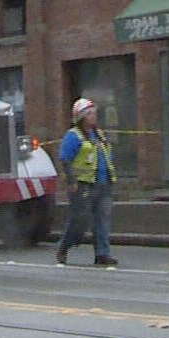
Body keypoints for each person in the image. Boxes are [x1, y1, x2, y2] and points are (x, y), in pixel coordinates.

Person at [54, 96, 119, 267]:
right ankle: (65, 246)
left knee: (102, 220)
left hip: (103, 183)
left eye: (94, 113)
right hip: (83, 185)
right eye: (90, 114)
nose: (94, 116)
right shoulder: (73, 135)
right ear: (82, 116)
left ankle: (102, 254)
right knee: (80, 219)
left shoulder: (99, 135)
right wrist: (71, 180)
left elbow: (107, 156)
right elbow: (65, 159)